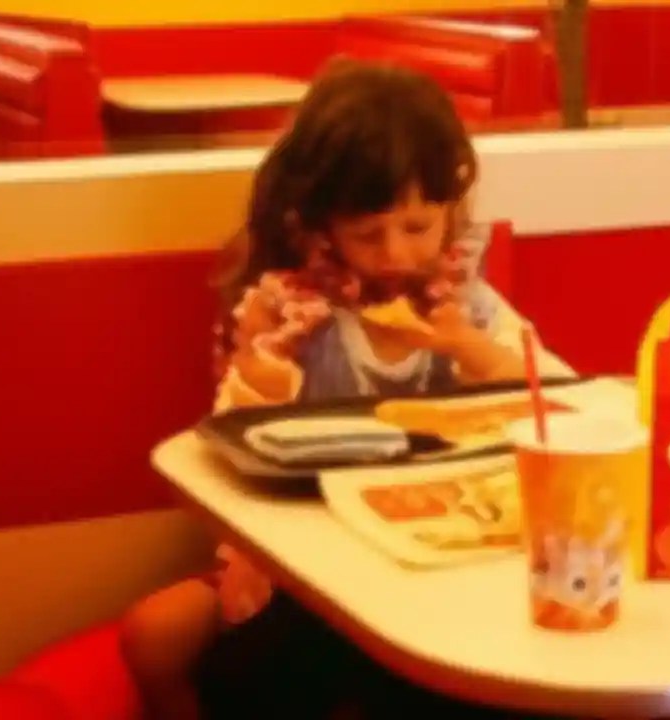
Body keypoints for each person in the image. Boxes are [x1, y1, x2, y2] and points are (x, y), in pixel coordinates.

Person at [121, 58, 570, 720]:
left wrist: (469, 350)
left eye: (418, 227)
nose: (396, 254)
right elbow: (224, 450)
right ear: (321, 226)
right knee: (160, 636)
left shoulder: (466, 308)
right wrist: (262, 381)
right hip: (315, 571)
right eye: (368, 234)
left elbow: (560, 395)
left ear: (451, 210)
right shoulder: (297, 312)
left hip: (436, 563)